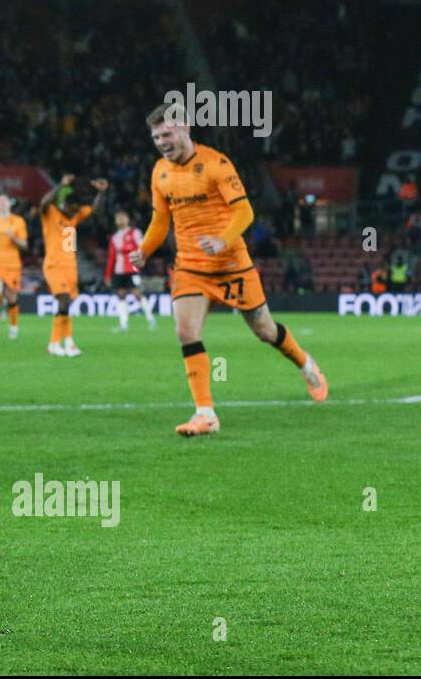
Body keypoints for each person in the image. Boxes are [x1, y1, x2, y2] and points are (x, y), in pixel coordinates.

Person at [130, 103, 328, 437]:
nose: (162, 142)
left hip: (231, 265)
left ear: (185, 128)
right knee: (186, 332)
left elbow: (245, 213)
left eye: (166, 134)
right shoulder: (159, 173)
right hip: (191, 267)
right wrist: (145, 250)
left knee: (265, 331)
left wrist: (223, 241)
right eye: (156, 137)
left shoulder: (216, 164)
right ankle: (205, 413)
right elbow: (160, 219)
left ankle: (305, 363)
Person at [39, 173, 107, 357]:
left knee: (67, 305)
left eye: (77, 210)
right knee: (64, 300)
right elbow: (43, 203)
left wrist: (101, 193)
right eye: (72, 208)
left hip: (70, 266)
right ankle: (54, 343)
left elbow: (95, 210)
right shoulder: (51, 213)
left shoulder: (74, 218)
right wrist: (61, 185)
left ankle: (68, 343)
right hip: (54, 265)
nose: (75, 212)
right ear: (65, 204)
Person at [104, 209, 157, 332]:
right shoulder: (115, 237)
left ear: (127, 219)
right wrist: (108, 275)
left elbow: (142, 248)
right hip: (119, 270)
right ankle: (123, 325)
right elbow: (111, 257)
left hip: (132, 268)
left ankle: (151, 319)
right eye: (118, 218)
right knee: (121, 295)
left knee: (137, 293)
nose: (120, 220)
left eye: (122, 217)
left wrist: (140, 261)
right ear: (115, 221)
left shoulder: (135, 232)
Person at [0, 193, 27, 339]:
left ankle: (13, 327)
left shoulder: (18, 221)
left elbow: (24, 245)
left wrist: (14, 238)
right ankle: (2, 304)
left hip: (13, 264)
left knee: (13, 298)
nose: (1, 203)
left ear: (9, 204)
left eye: (4, 201)